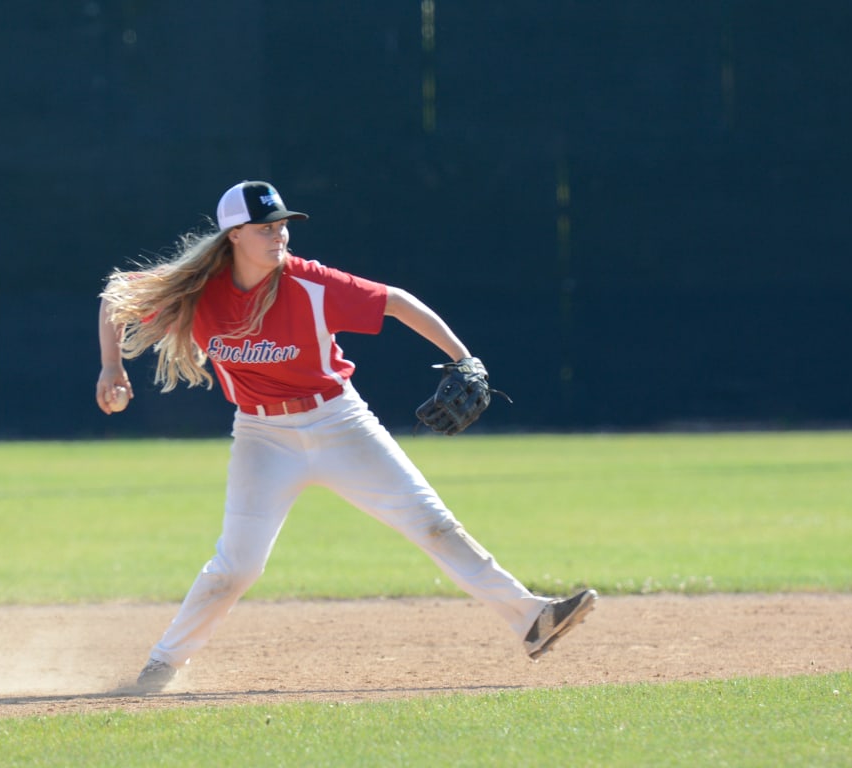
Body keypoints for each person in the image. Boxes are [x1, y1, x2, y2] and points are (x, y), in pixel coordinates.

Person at [96, 180, 596, 692]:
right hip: (262, 436)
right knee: (236, 567)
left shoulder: (310, 284)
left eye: (283, 224)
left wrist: (465, 359)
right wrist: (111, 368)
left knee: (433, 525)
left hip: (339, 422)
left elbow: (397, 302)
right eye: (266, 227)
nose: (280, 234)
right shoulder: (197, 289)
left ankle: (533, 620)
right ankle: (162, 665)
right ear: (234, 236)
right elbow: (116, 297)